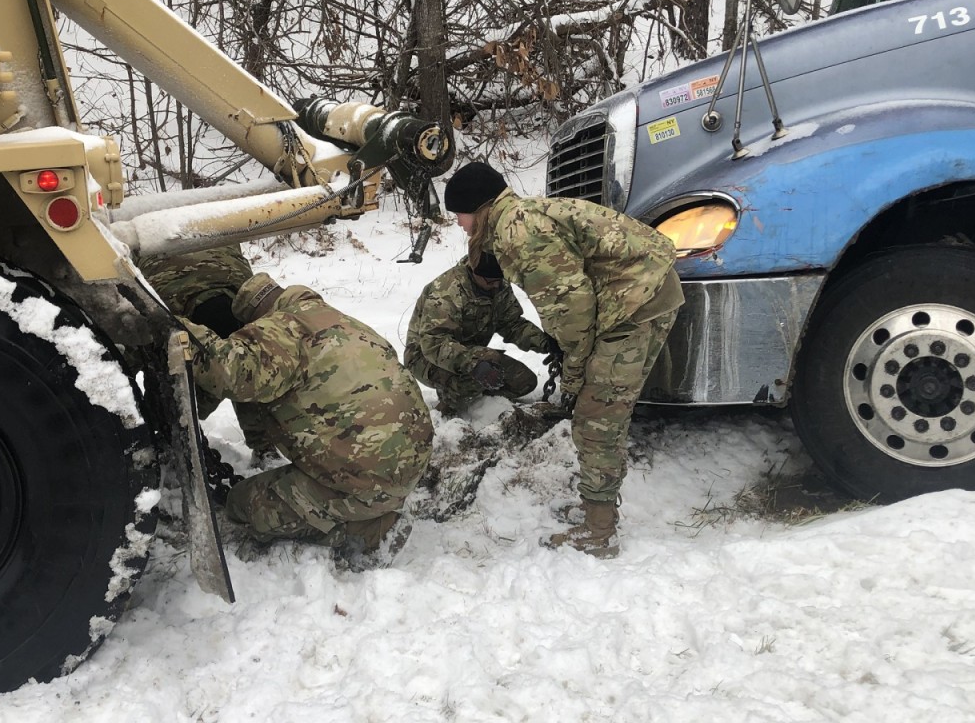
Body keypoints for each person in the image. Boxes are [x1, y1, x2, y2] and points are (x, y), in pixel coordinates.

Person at [442, 161, 685, 558]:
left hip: (634, 301)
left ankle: (599, 531)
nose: (458, 224)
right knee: (599, 410)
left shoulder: (518, 233)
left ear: (480, 208)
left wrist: (573, 372)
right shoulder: (519, 218)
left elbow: (572, 311)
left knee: (596, 419)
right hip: (636, 292)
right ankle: (598, 510)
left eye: (460, 214)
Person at [180, 272, 434, 566]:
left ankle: (367, 529)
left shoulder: (280, 331)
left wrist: (174, 330)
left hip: (370, 482)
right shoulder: (338, 320)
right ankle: (367, 503)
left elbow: (230, 371)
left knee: (242, 505)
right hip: (412, 462)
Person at [138, 245, 274, 459]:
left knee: (248, 367)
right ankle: (165, 436)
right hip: (194, 248)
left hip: (170, 244)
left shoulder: (252, 312)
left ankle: (264, 447)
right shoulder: (159, 311)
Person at [404, 253, 557, 416]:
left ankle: (478, 400)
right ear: (474, 272)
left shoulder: (497, 283)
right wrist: (473, 364)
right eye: (490, 281)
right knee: (481, 367)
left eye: (500, 279)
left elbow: (511, 323)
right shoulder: (447, 291)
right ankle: (448, 411)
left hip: (472, 353)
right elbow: (434, 343)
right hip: (425, 358)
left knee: (524, 381)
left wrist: (545, 343)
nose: (496, 285)